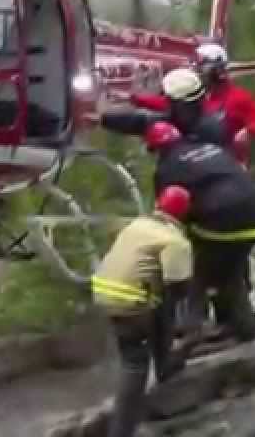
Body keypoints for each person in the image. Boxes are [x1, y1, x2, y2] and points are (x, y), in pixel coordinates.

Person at [144, 119, 255, 344]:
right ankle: (246, 327)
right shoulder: (210, 147)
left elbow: (167, 214)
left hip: (220, 221)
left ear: (156, 149)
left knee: (196, 271)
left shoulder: (167, 167)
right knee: (229, 270)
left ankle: (190, 331)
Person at [91, 183, 197, 437]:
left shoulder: (137, 225)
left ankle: (165, 366)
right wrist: (187, 325)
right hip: (131, 304)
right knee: (135, 363)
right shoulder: (175, 241)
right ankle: (121, 430)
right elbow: (178, 286)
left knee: (158, 308)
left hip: (104, 293)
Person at [131, 44, 255, 167]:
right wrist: (135, 99)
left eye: (201, 66)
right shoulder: (196, 95)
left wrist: (247, 131)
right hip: (198, 168)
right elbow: (168, 103)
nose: (196, 71)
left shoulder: (238, 97)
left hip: (228, 170)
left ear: (217, 70)